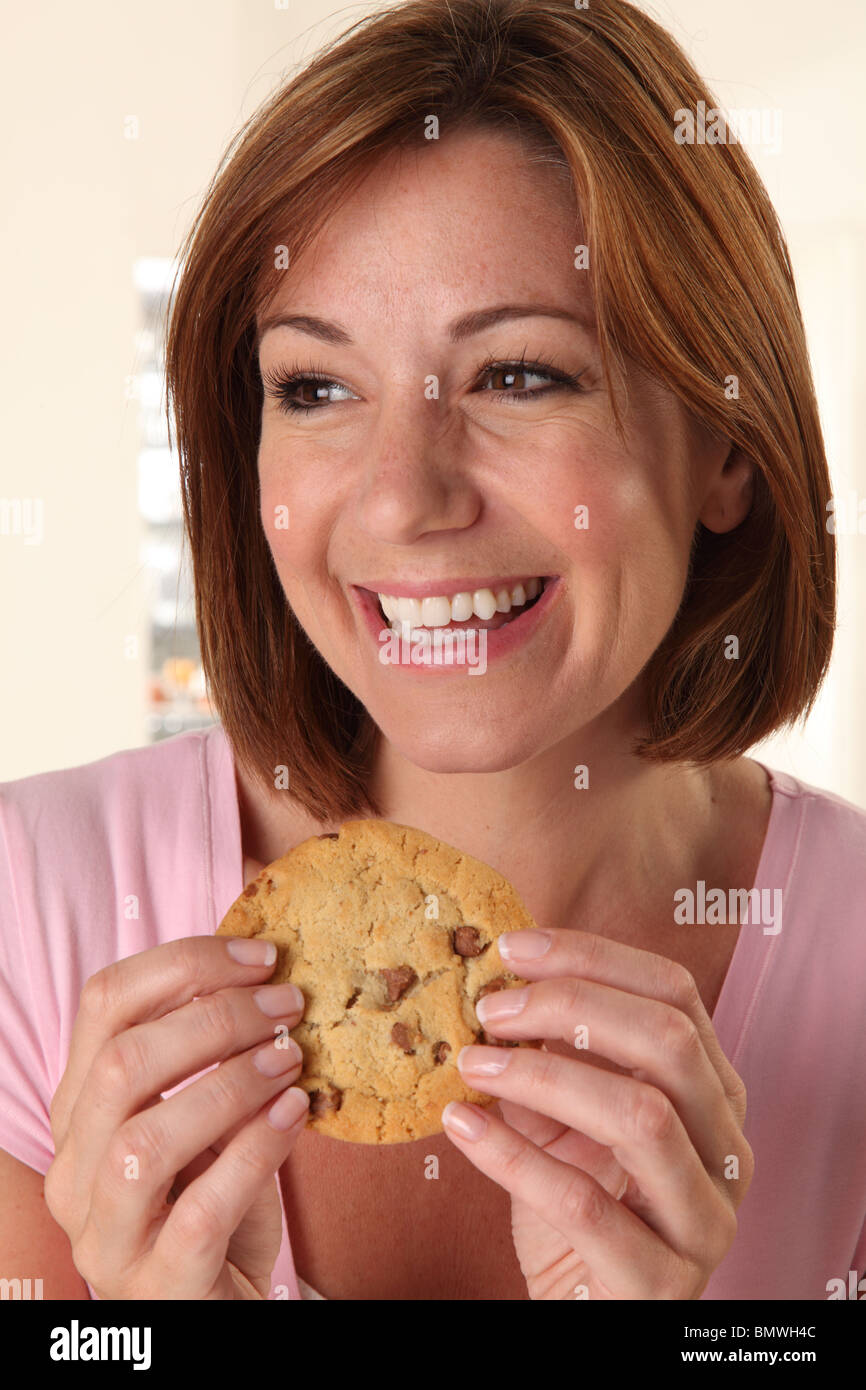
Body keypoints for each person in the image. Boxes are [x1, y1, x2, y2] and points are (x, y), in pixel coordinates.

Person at [1, 0, 864, 1302]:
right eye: (315, 387)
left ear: (726, 448)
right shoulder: (28, 919)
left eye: (518, 374)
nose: (402, 499)